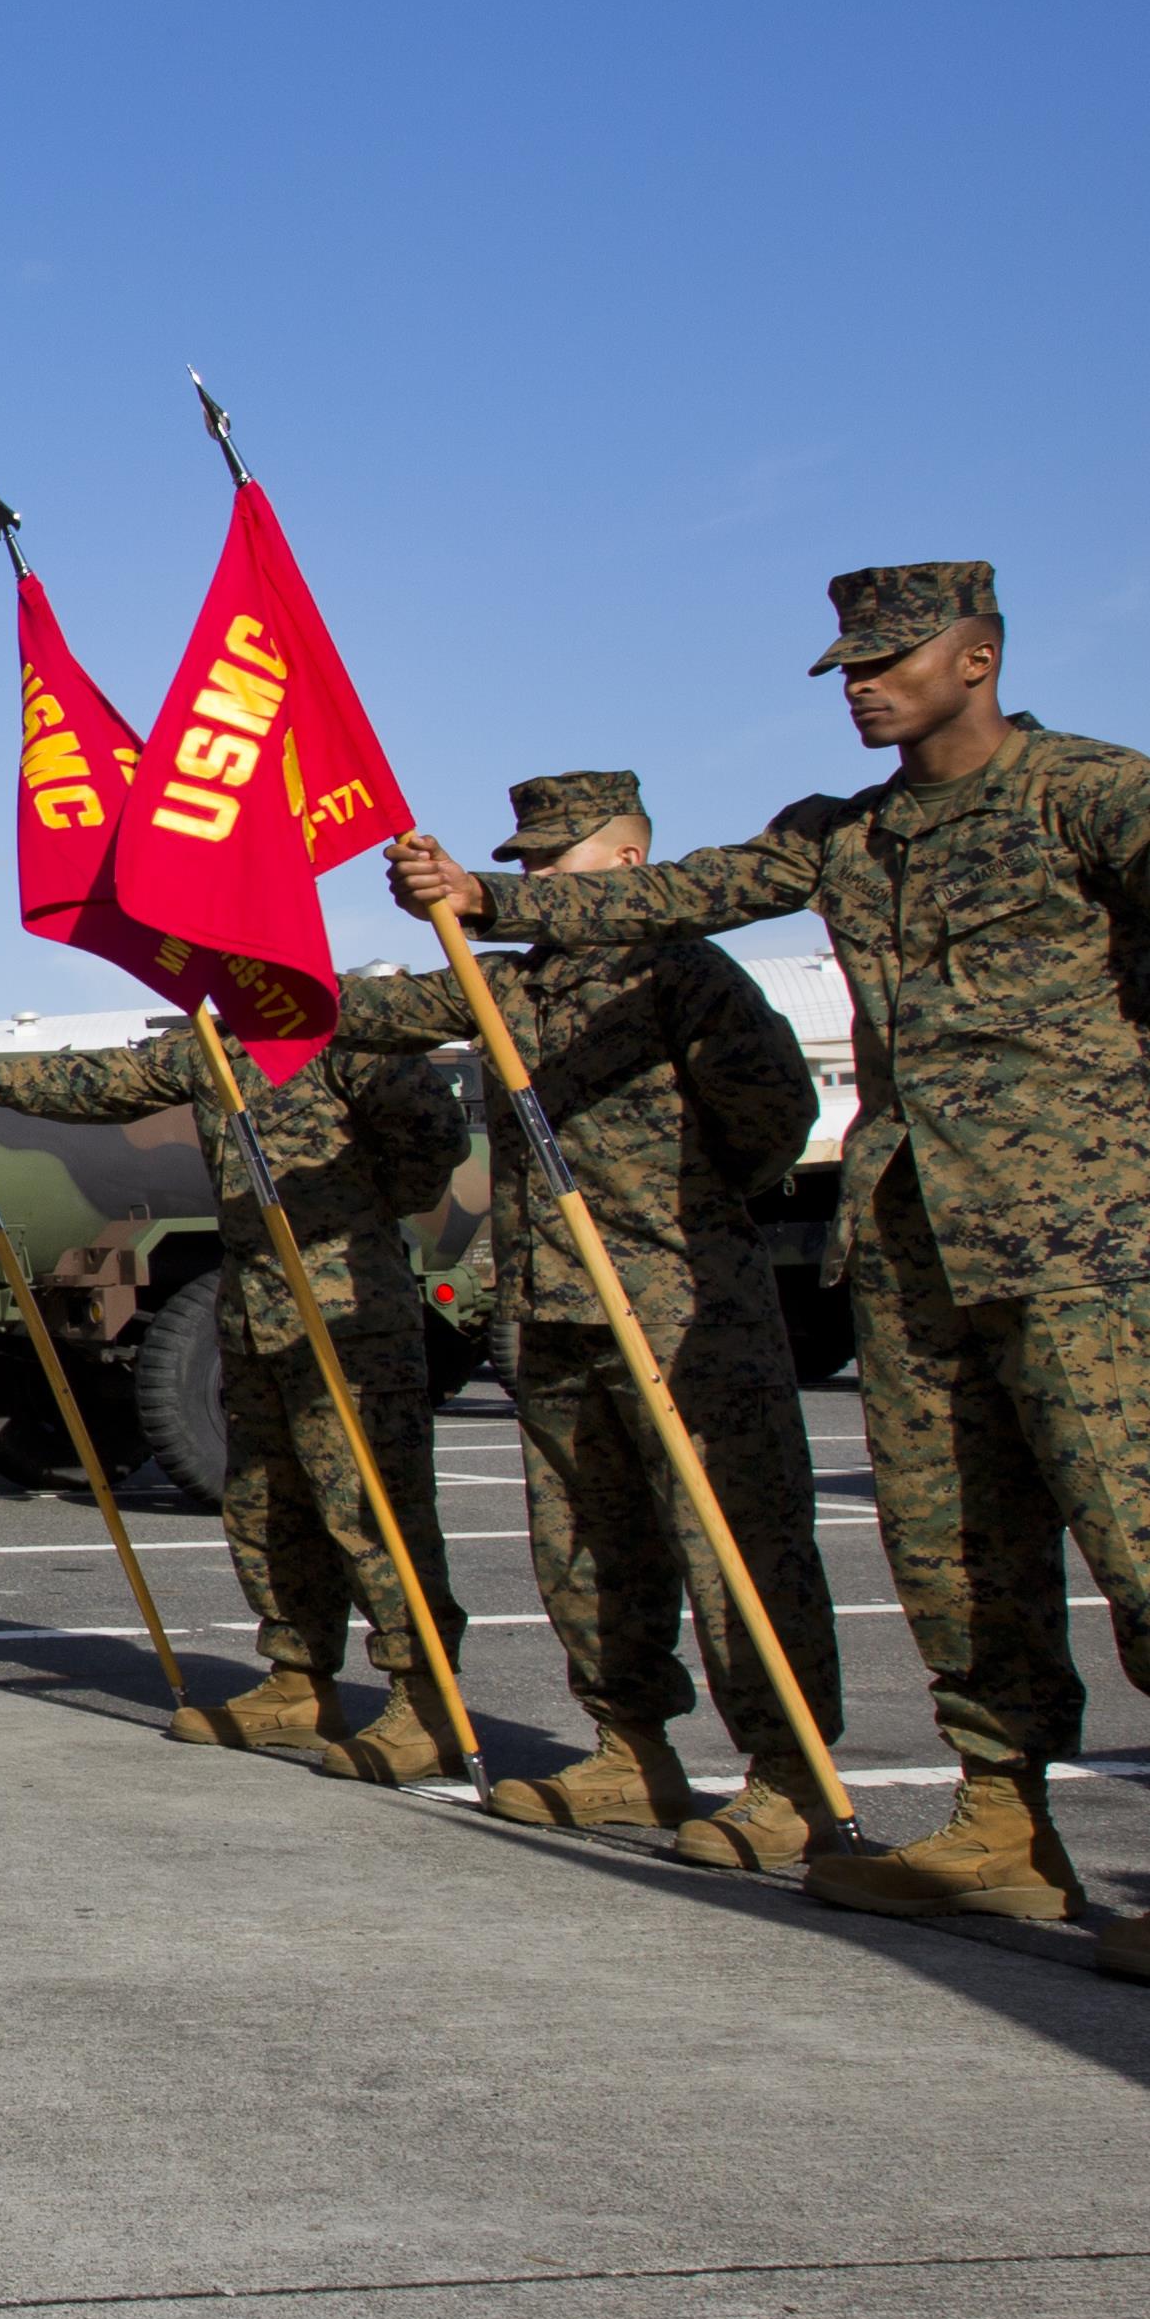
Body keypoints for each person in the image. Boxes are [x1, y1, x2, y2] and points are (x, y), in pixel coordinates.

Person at [392, 563, 1150, 1948]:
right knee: (950, 1543)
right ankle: (1003, 1815)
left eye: (890, 660)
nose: (860, 682)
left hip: (1088, 1241)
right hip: (914, 1240)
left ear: (976, 659)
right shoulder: (843, 836)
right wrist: (488, 898)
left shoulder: (1092, 794)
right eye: (848, 664)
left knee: (1137, 1536)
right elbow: (692, 886)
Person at [330, 774, 844, 1860]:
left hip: (674, 1303)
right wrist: (247, 973)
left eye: (549, 861)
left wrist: (685, 1216)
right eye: (517, 864)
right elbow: (374, 1013)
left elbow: (771, 1115)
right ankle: (629, 1750)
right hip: (551, 1308)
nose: (527, 881)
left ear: (622, 865)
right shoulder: (509, 985)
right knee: (585, 1545)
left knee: (731, 1543)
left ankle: (786, 1770)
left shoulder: (684, 971)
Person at [0, 1016, 469, 1783]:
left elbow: (436, 1138)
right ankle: (297, 1682)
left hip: (347, 1310)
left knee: (371, 1505)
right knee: (265, 1500)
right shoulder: (217, 1043)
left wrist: (360, 1214)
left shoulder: (350, 1032)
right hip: (251, 1311)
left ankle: (427, 1699)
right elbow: (112, 1079)